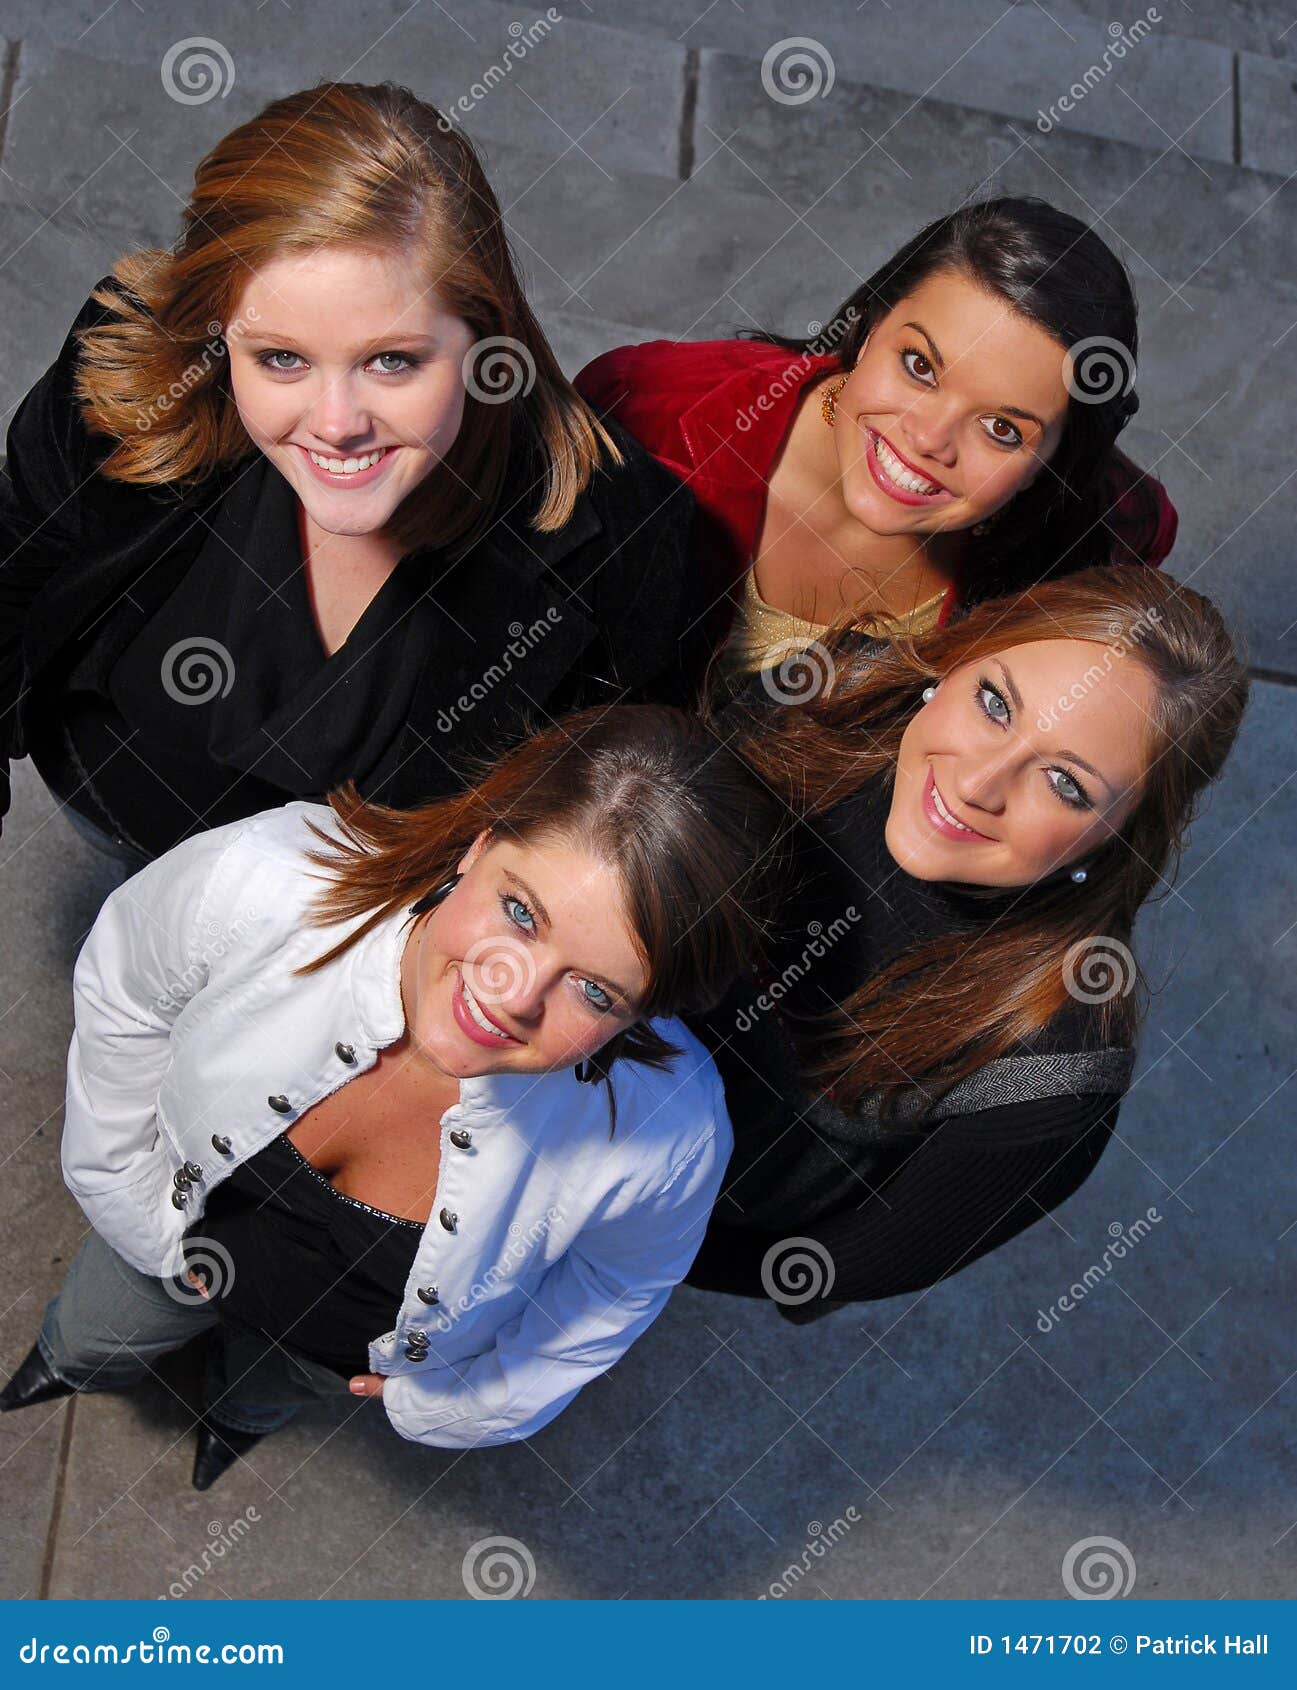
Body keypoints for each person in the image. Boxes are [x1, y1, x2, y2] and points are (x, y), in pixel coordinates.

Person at [0, 704, 782, 1488]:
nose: (512, 994)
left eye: (595, 991)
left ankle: (235, 1419)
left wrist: (457, 1403)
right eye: (520, 913)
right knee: (98, 1331)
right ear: (480, 843)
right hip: (168, 1246)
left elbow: (615, 1286)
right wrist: (134, 1207)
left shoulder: (670, 1131)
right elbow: (126, 994)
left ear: (645, 1014)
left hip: (339, 1351)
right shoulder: (266, 877)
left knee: (273, 1391)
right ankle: (69, 1366)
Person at [0, 80, 696, 868]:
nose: (336, 425)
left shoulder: (625, 534)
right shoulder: (128, 364)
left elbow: (600, 835)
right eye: (280, 358)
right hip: (115, 817)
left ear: (483, 338)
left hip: (359, 929)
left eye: (392, 361)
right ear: (213, 333)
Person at [680, 565, 1249, 1321]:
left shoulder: (1053, 1066)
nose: (979, 785)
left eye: (1065, 783)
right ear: (952, 661)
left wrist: (619, 1257)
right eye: (993, 704)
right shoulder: (815, 699)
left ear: (1120, 839)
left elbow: (836, 1264)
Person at [574, 195, 1178, 700]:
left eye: (1001, 428)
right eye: (919, 365)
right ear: (868, 329)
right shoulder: (647, 414)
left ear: (1047, 467)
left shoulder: (1094, 541)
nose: (927, 438)